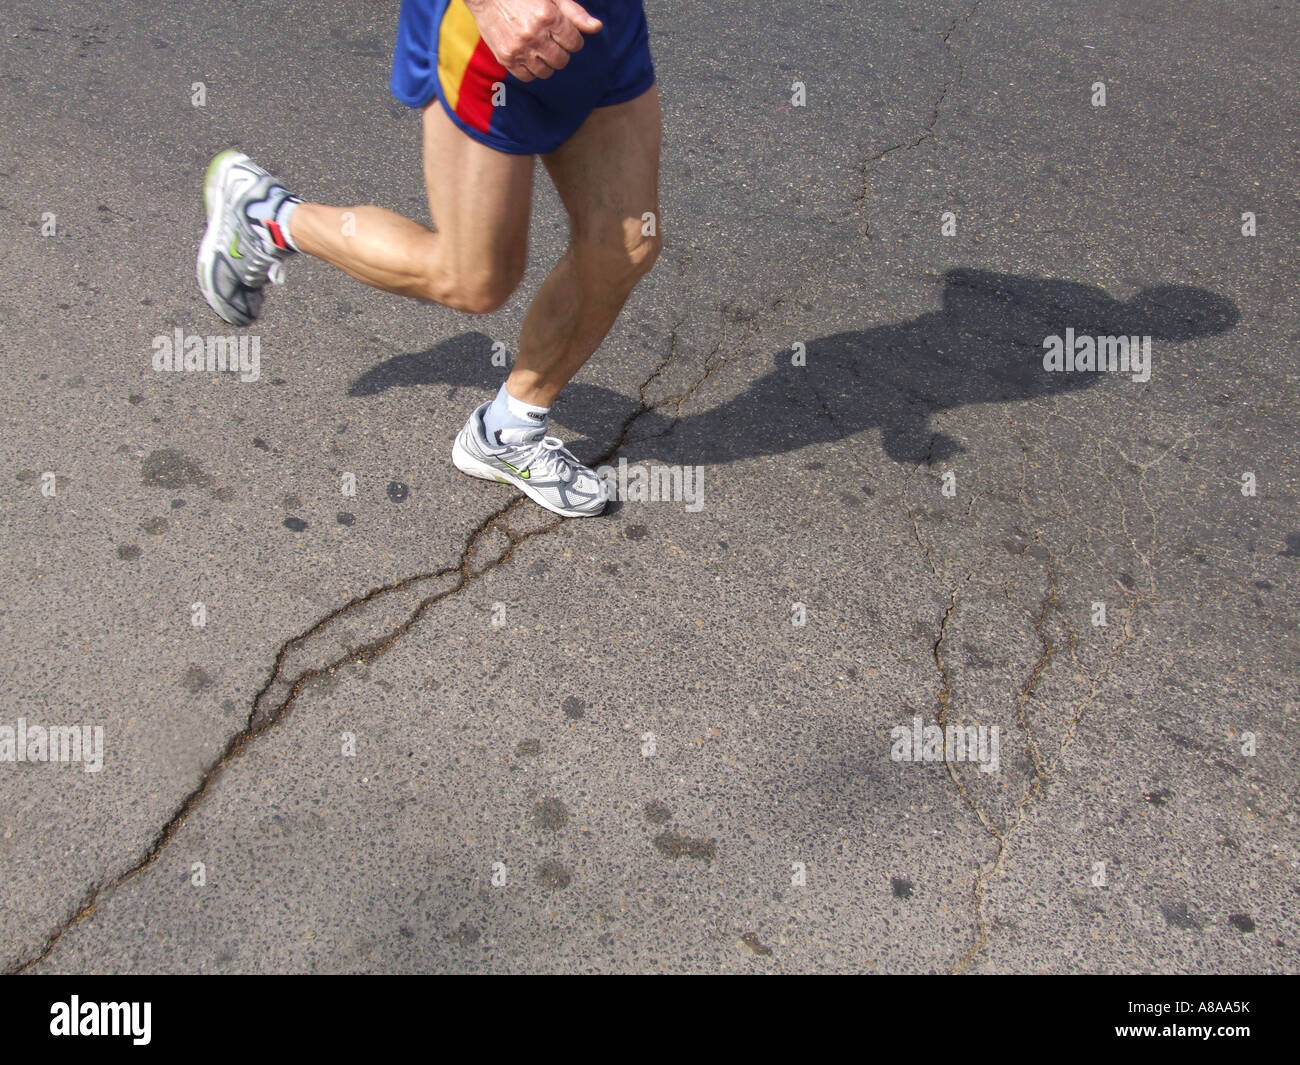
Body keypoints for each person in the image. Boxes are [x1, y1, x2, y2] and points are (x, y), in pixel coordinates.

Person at [197, 0, 662, 517]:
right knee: (474, 279)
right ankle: (269, 218)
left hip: (601, 16)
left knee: (624, 247)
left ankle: (507, 431)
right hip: (488, 26)